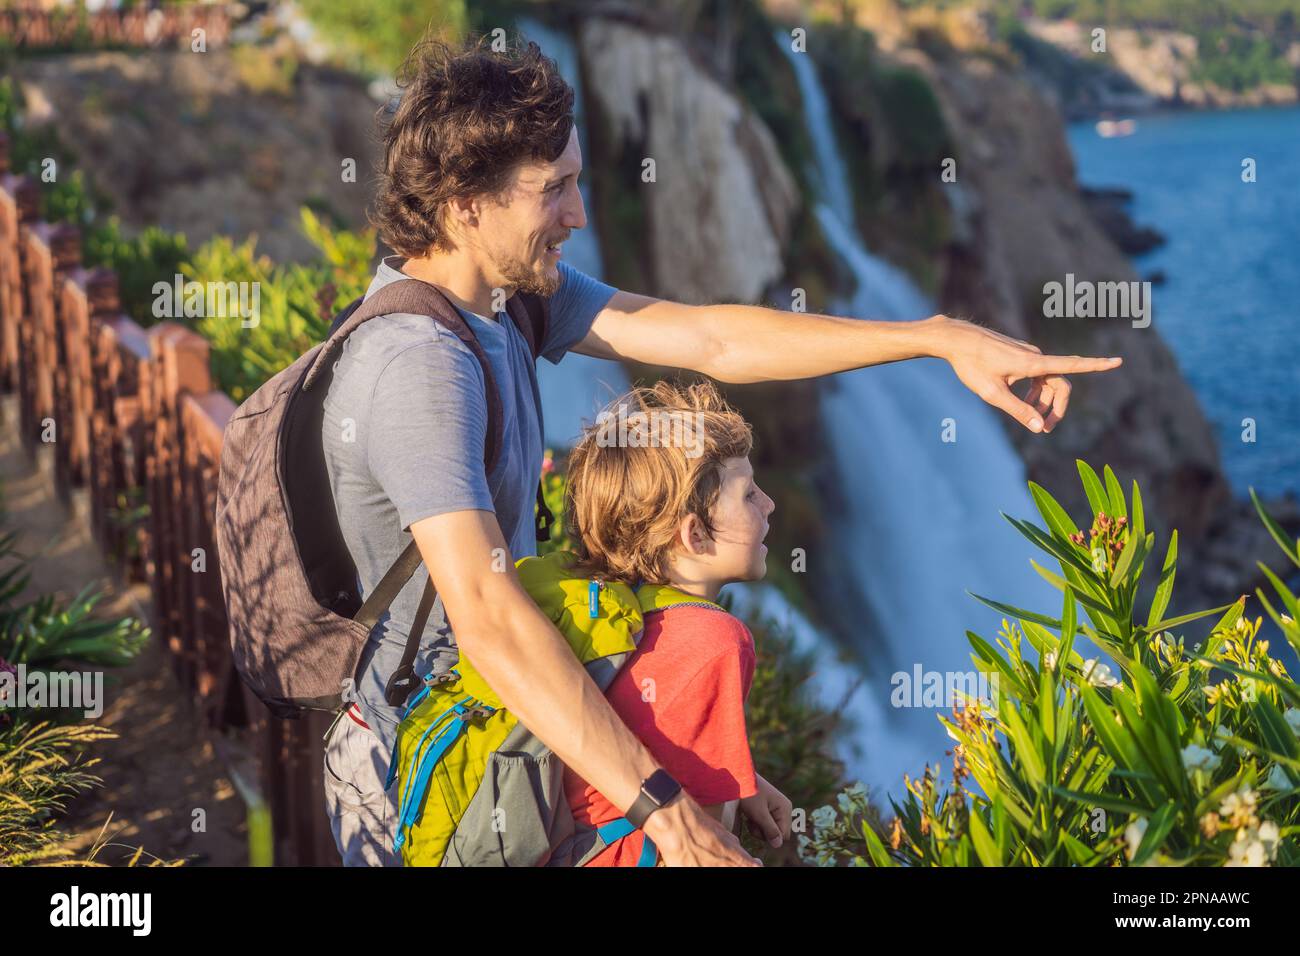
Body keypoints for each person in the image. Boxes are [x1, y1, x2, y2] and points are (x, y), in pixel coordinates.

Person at [320, 34, 1123, 867]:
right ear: (465, 204)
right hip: (429, 772)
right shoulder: (420, 368)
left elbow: (713, 340)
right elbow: (490, 623)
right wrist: (661, 803)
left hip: (513, 729)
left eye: (578, 184)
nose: (578, 216)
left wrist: (936, 337)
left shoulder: (511, 303)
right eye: (552, 191)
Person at [560, 380, 781, 865]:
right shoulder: (716, 641)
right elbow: (707, 835)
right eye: (748, 495)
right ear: (696, 534)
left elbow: (646, 732)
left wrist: (746, 780)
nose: (769, 504)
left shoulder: (618, 609)